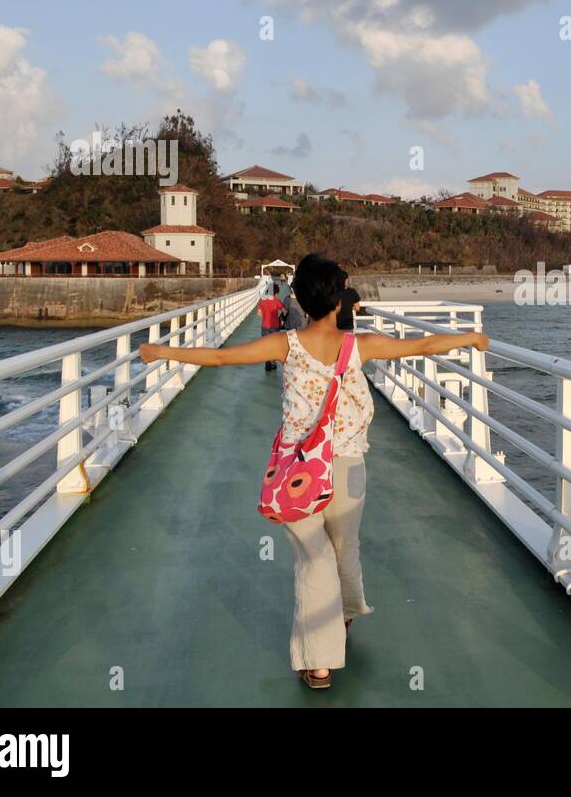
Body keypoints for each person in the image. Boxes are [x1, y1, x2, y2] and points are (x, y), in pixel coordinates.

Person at [138, 253, 490, 690]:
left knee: (314, 558)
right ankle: (343, 617)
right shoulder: (359, 346)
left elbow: (219, 358)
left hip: (297, 471)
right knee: (345, 549)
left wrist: (160, 351)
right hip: (350, 466)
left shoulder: (286, 344)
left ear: (299, 300)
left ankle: (320, 662)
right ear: (339, 298)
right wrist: (470, 337)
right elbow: (420, 347)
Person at [257, 284, 286, 371]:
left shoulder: (262, 301)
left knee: (266, 345)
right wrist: (281, 318)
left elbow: (259, 313)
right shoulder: (277, 301)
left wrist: (265, 316)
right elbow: (284, 311)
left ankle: (267, 363)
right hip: (275, 326)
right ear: (275, 293)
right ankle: (273, 363)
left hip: (265, 326)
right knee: (274, 345)